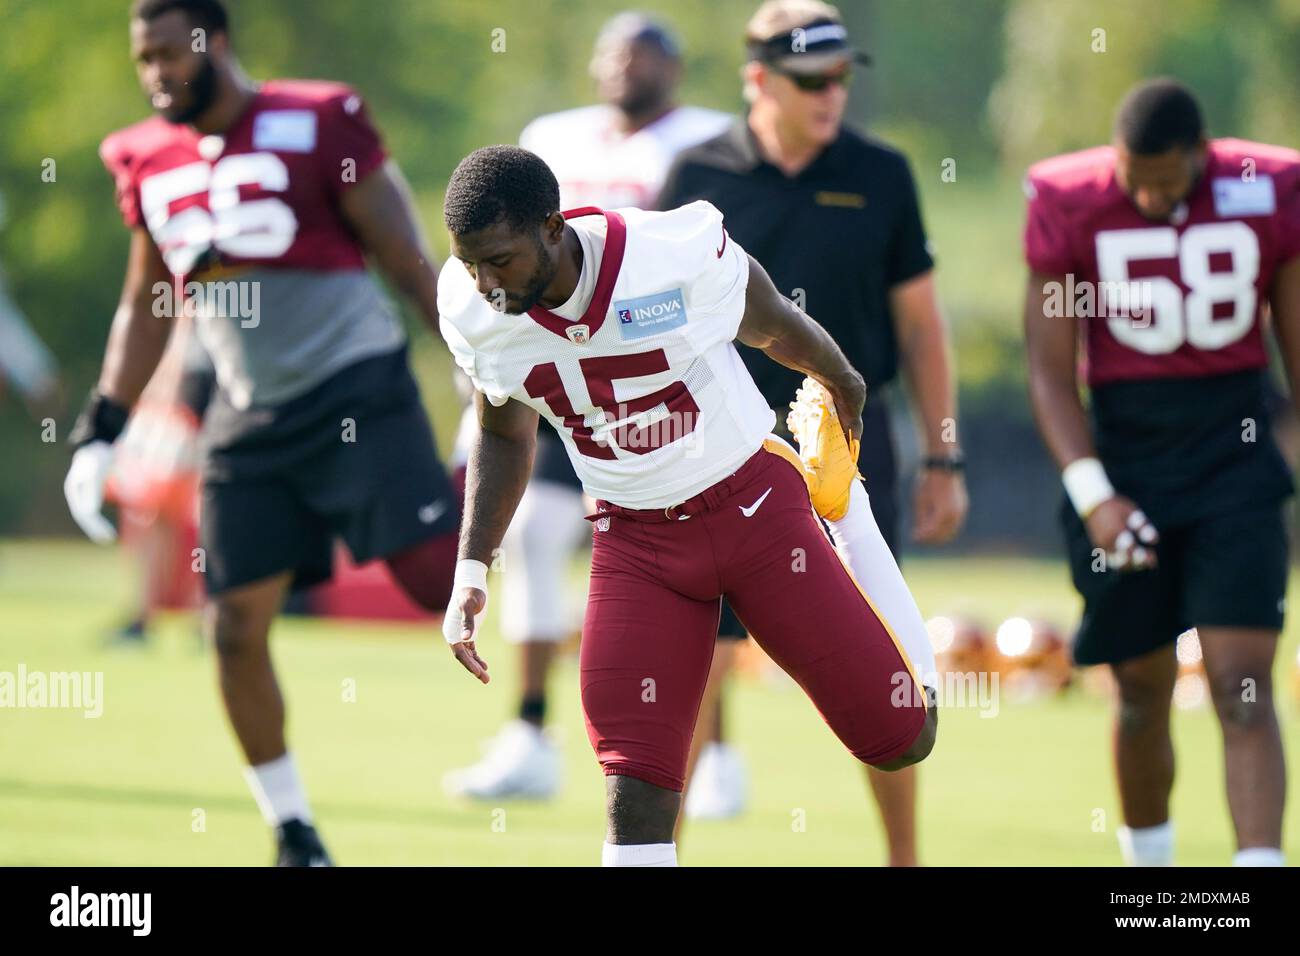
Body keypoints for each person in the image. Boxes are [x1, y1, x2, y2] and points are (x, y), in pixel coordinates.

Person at [436, 144, 938, 866]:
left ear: (552, 227)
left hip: (756, 510)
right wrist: (473, 569)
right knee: (637, 792)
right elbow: (504, 430)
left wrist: (839, 376)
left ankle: (844, 509)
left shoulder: (663, 254)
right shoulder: (475, 311)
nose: (484, 283)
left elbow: (764, 317)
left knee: (903, 739)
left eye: (500, 260)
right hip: (635, 542)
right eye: (470, 263)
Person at [62, 0, 460, 865]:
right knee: (234, 627)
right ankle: (294, 831)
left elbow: (401, 250)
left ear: (215, 42)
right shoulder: (144, 155)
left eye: (170, 52)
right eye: (144, 59)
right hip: (249, 415)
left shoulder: (319, 116)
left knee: (436, 586)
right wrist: (101, 430)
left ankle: (480, 489)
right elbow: (147, 302)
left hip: (357, 385)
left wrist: (470, 366)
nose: (157, 72)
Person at [658, 0, 966, 860]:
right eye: (810, 81)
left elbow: (922, 326)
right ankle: (659, 855)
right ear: (759, 79)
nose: (832, 95)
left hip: (851, 459)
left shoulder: (884, 173)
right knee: (694, 668)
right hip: (717, 454)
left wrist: (945, 452)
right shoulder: (695, 175)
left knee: (884, 668)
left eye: (840, 77)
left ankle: (903, 861)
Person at [443, 11, 732, 803]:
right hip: (565, 383)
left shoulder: (711, 140)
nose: (621, 67)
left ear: (674, 66)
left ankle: (713, 750)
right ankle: (530, 730)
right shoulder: (553, 135)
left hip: (658, 377)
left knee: (700, 554)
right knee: (533, 532)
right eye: (610, 52)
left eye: (640, 53)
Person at [1023, 78, 1299, 867]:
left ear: (1202, 159)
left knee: (1243, 685)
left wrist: (1268, 471)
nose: (1148, 196)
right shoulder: (1069, 200)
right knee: (1140, 691)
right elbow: (1049, 372)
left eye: (1167, 181)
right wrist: (1095, 495)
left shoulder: (1265, 190)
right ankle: (1151, 877)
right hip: (1124, 459)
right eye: (1134, 177)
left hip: (1232, 455)